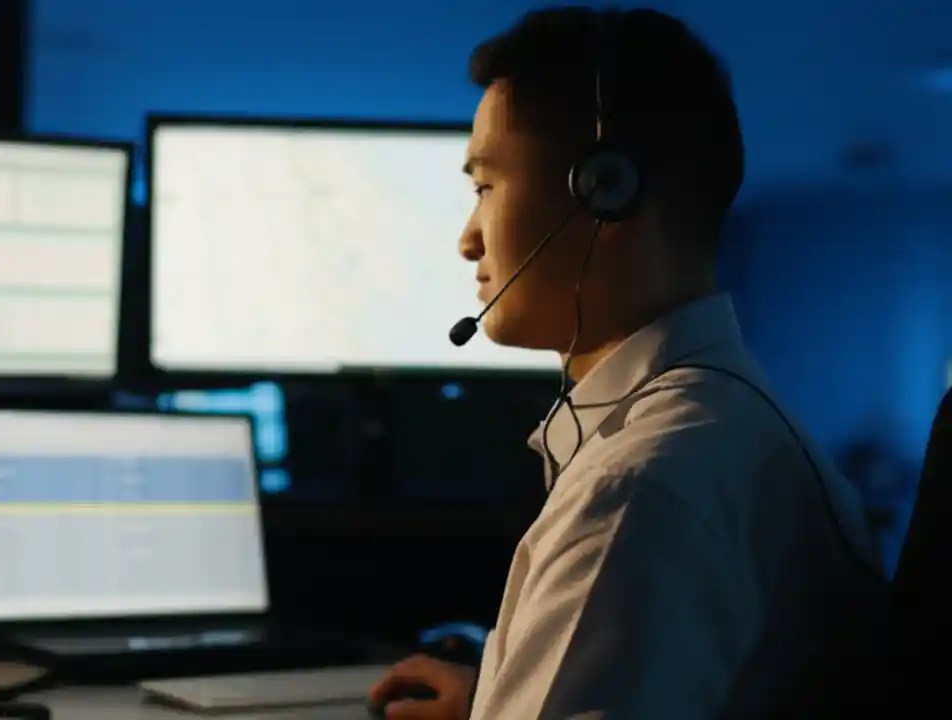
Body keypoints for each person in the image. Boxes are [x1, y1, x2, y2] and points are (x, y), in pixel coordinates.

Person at [369, 6, 884, 719]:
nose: (467, 240)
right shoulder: (721, 423)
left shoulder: (639, 488)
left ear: (605, 193)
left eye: (486, 187)